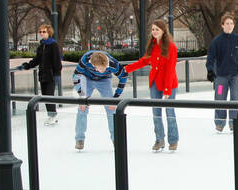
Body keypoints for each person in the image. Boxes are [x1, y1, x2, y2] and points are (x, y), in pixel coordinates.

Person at [123, 20, 179, 152]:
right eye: (153, 29)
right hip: (154, 83)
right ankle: (159, 139)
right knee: (156, 112)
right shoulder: (152, 45)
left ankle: (173, 140)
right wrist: (126, 69)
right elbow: (143, 61)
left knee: (169, 111)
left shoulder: (171, 47)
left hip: (169, 84)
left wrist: (167, 89)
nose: (154, 32)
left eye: (157, 29)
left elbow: (170, 69)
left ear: (163, 31)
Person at [72, 49, 126, 151]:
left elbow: (124, 76)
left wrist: (115, 98)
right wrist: (81, 95)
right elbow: (75, 77)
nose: (102, 70)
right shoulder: (85, 59)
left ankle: (116, 139)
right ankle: (79, 139)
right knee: (82, 108)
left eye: (104, 68)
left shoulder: (113, 64)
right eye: (99, 68)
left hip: (104, 80)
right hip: (86, 78)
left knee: (111, 109)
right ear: (93, 64)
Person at [206, 11, 238, 132]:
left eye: (231, 23)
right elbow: (211, 57)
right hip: (221, 77)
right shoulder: (217, 41)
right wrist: (210, 70)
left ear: (234, 25)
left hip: (235, 75)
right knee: (219, 98)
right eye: (227, 23)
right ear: (222, 25)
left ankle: (233, 122)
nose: (229, 25)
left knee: (235, 98)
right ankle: (219, 122)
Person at [21, 24, 63, 125]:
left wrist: (56, 74)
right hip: (43, 75)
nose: (42, 34)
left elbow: (57, 61)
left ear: (49, 32)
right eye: (40, 32)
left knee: (49, 96)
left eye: (44, 32)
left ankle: (53, 116)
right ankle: (51, 115)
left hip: (51, 75)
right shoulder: (42, 45)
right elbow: (37, 59)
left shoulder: (53, 45)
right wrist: (28, 65)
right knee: (45, 96)